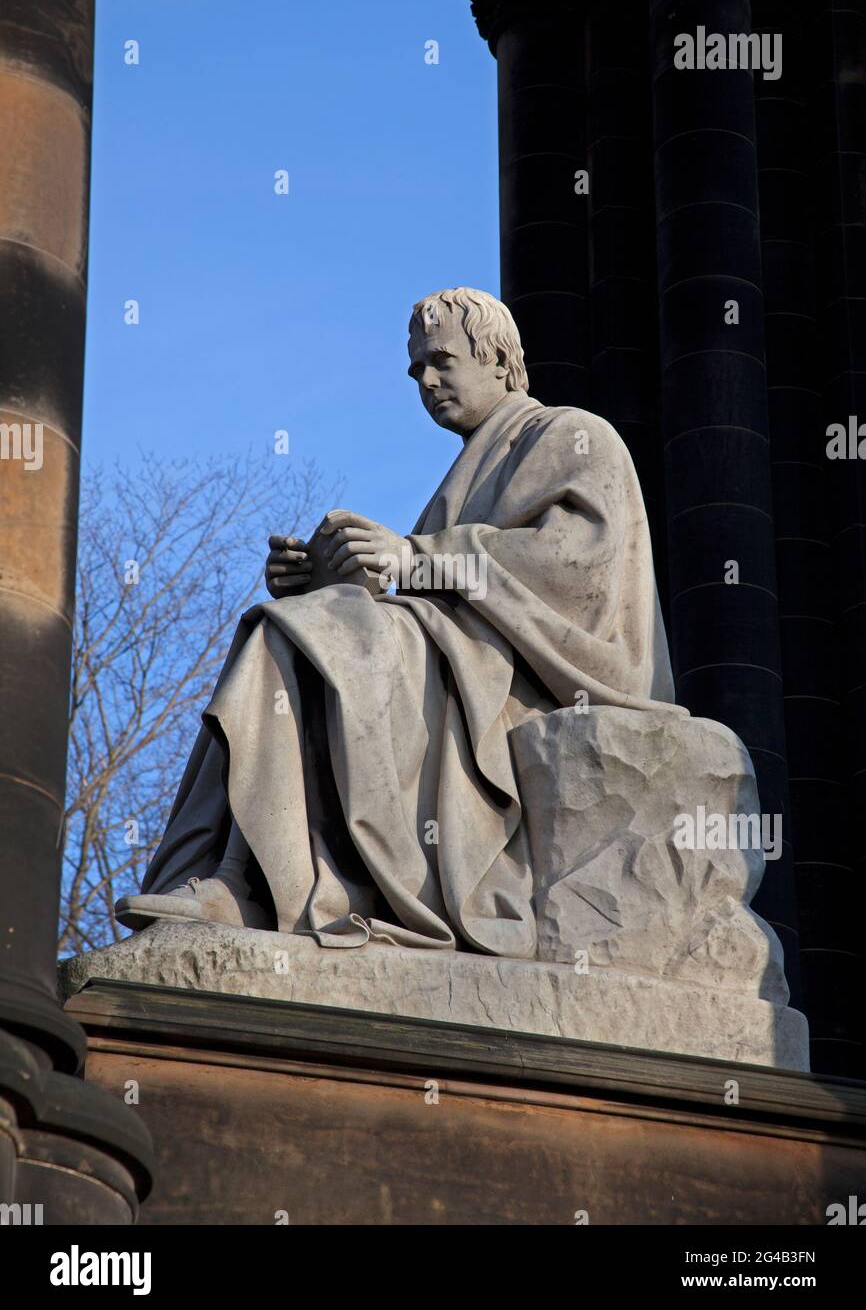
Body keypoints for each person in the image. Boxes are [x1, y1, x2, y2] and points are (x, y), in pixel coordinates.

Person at [116, 288, 680, 957]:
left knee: (318, 632)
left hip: (536, 683)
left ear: (500, 360)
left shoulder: (570, 436)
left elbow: (575, 570)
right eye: (416, 371)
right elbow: (413, 606)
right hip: (457, 667)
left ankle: (276, 881)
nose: (427, 382)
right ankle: (244, 878)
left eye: (441, 361)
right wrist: (326, 579)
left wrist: (410, 558)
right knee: (290, 627)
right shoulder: (466, 473)